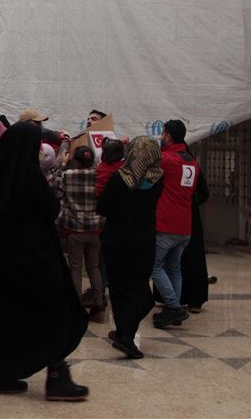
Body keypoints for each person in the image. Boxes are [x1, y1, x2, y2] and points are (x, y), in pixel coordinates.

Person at [0, 122, 88, 401]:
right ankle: (57, 377)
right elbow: (50, 209)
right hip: (32, 255)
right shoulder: (29, 175)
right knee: (56, 311)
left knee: (8, 314)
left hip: (2, 251)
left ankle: (1, 375)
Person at [97, 137, 165, 359]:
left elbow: (103, 207)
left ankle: (125, 335)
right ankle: (124, 332)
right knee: (138, 285)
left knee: (118, 286)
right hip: (144, 240)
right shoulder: (158, 179)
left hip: (117, 239)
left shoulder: (120, 178)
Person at [152, 120, 203, 329]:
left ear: (169, 136)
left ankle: (174, 307)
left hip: (166, 223)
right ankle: (174, 306)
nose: (160, 137)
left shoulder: (167, 160)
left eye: (162, 133)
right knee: (174, 268)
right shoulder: (192, 162)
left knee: (155, 266)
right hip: (184, 224)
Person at [58, 146, 106, 323]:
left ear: (76, 161)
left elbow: (57, 188)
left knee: (76, 267)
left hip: (74, 228)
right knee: (94, 267)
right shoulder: (98, 175)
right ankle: (98, 305)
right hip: (95, 227)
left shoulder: (68, 175)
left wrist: (63, 164)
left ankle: (76, 305)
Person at [177, 148, 211, 313]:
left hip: (187, 219)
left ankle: (190, 299)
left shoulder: (185, 164)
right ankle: (176, 298)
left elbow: (203, 192)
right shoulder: (188, 163)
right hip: (183, 217)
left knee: (187, 258)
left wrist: (188, 202)